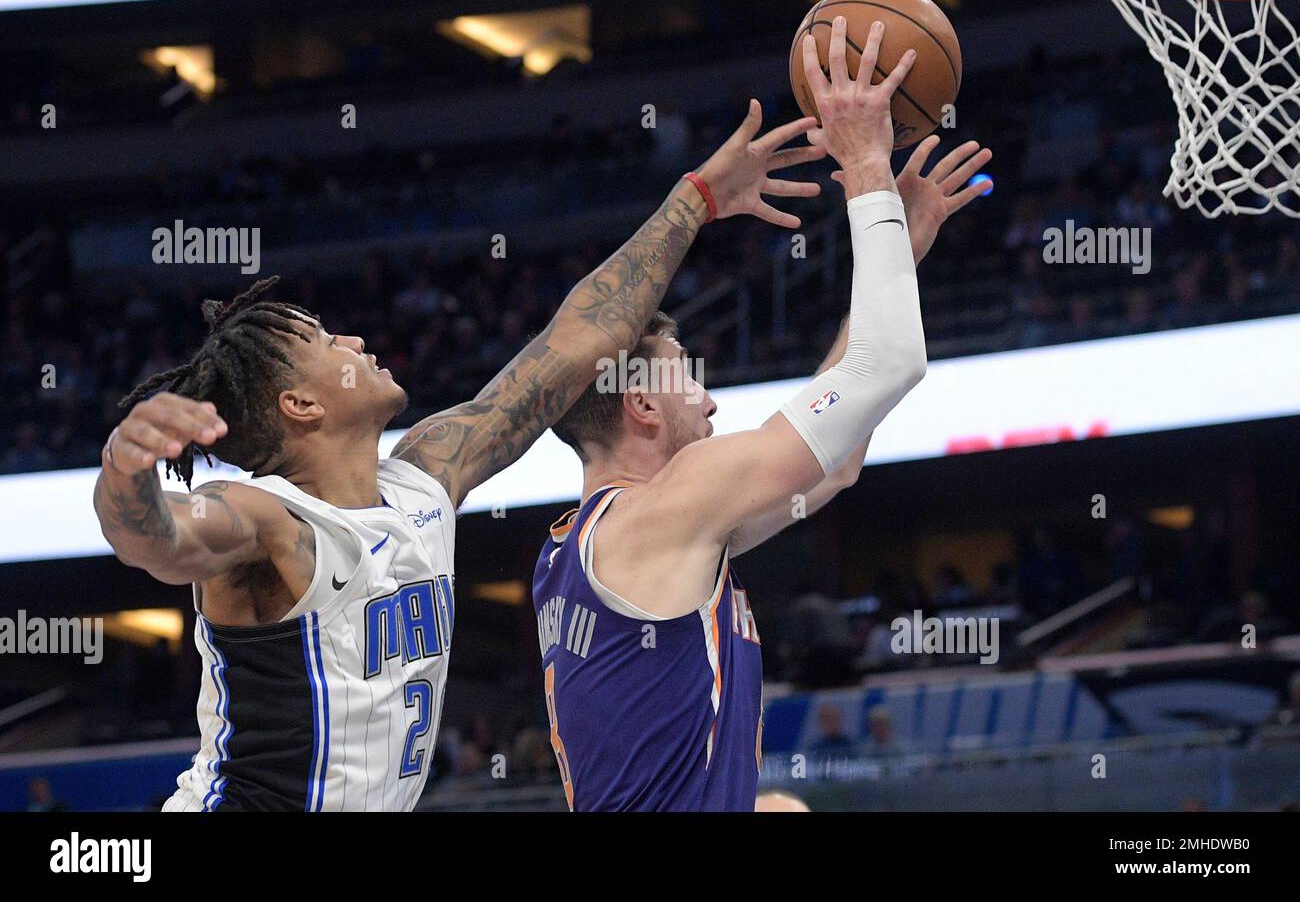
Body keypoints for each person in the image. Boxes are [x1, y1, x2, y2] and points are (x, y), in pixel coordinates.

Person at [92, 103, 826, 811]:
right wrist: (125, 471)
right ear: (301, 406)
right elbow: (158, 540)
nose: (350, 342)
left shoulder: (427, 477)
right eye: (323, 341)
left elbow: (576, 345)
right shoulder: (269, 518)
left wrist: (693, 200)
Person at [531, 17, 992, 810]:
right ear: (640, 405)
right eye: (689, 380)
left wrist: (901, 252)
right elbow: (888, 366)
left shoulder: (602, 543)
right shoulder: (665, 509)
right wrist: (865, 164)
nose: (709, 401)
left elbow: (838, 461)